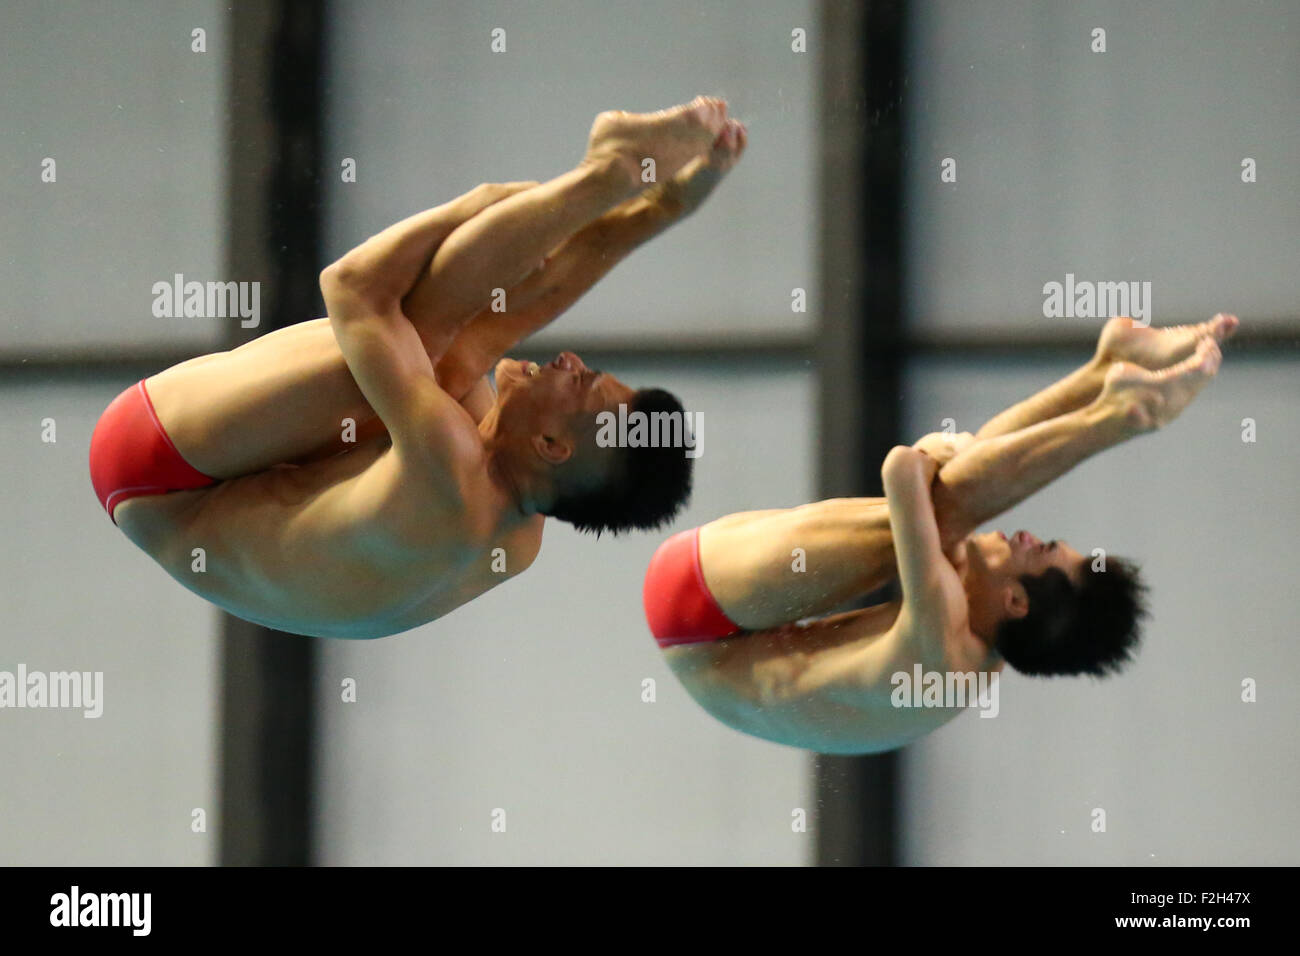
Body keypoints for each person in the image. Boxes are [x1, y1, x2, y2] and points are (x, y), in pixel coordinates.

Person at [90, 97, 747, 638]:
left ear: (552, 443)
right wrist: (662, 207)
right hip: (248, 494)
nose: (570, 361)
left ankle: (605, 177)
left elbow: (351, 286)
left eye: (582, 382)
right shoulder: (517, 534)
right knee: (458, 355)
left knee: (424, 339)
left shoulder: (450, 474)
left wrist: (478, 202)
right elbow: (506, 320)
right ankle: (644, 198)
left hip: (159, 471)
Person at [644, 314, 1238, 753]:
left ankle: (1116, 416)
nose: (1025, 535)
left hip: (696, 622)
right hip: (729, 628)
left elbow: (901, 468)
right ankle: (1104, 374)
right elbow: (931, 480)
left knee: (931, 513)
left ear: (1017, 600)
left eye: (1040, 550)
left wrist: (934, 449)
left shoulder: (941, 657)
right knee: (944, 506)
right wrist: (941, 457)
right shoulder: (986, 634)